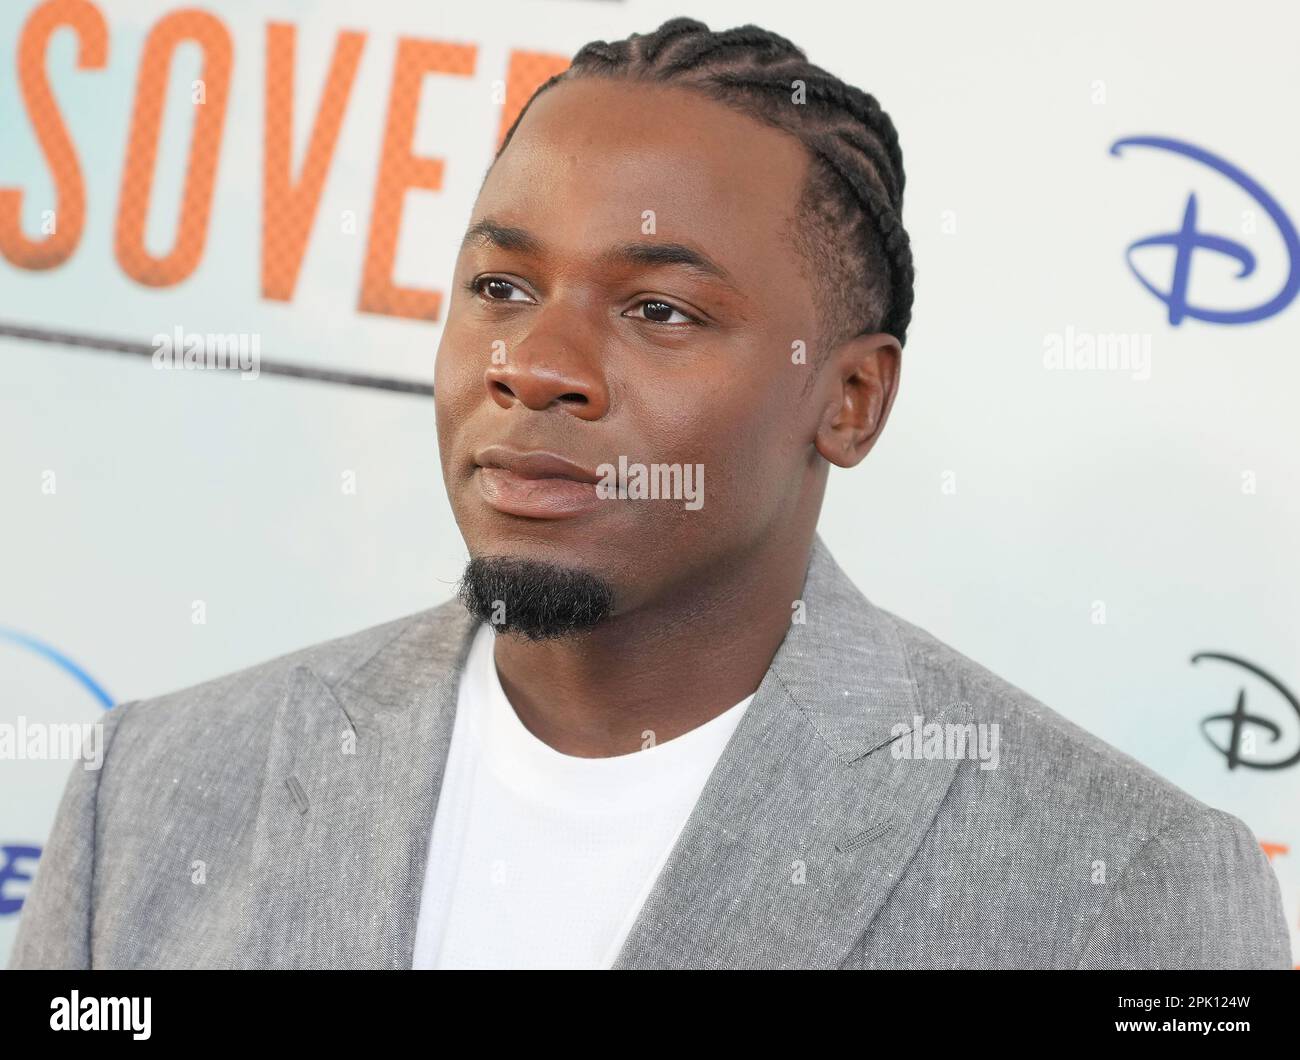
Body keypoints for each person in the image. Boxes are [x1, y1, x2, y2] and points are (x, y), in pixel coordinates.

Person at [10, 17, 1291, 970]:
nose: (536, 367)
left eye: (659, 309)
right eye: (501, 289)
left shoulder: (1128, 885)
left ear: (848, 402)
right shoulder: (155, 791)